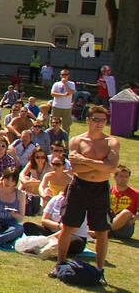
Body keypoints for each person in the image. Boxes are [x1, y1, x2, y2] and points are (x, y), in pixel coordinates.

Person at [54, 106, 120, 269]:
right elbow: (76, 169)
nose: (99, 123)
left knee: (101, 231)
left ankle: (99, 269)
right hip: (79, 187)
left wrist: (86, 161)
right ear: (88, 120)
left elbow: (112, 168)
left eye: (102, 120)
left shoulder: (111, 142)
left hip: (100, 189)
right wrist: (101, 164)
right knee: (68, 226)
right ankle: (59, 263)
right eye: (96, 119)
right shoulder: (78, 140)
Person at [108, 166, 136, 241]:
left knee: (126, 213)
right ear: (115, 177)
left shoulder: (136, 194)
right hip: (109, 220)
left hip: (124, 228)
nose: (124, 179)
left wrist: (133, 219)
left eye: (126, 177)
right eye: (121, 176)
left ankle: (107, 232)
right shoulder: (109, 191)